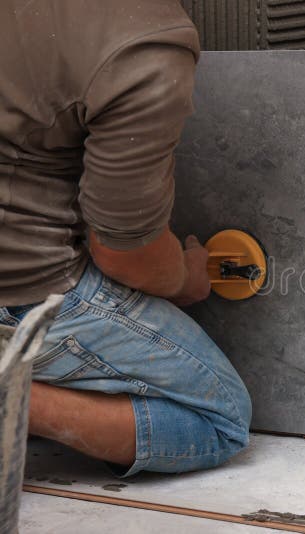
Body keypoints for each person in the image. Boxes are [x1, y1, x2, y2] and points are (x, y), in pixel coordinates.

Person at [0, 0, 252, 476]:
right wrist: (183, 277)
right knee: (222, 419)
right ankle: (9, 398)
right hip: (20, 286)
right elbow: (125, 256)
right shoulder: (141, 40)